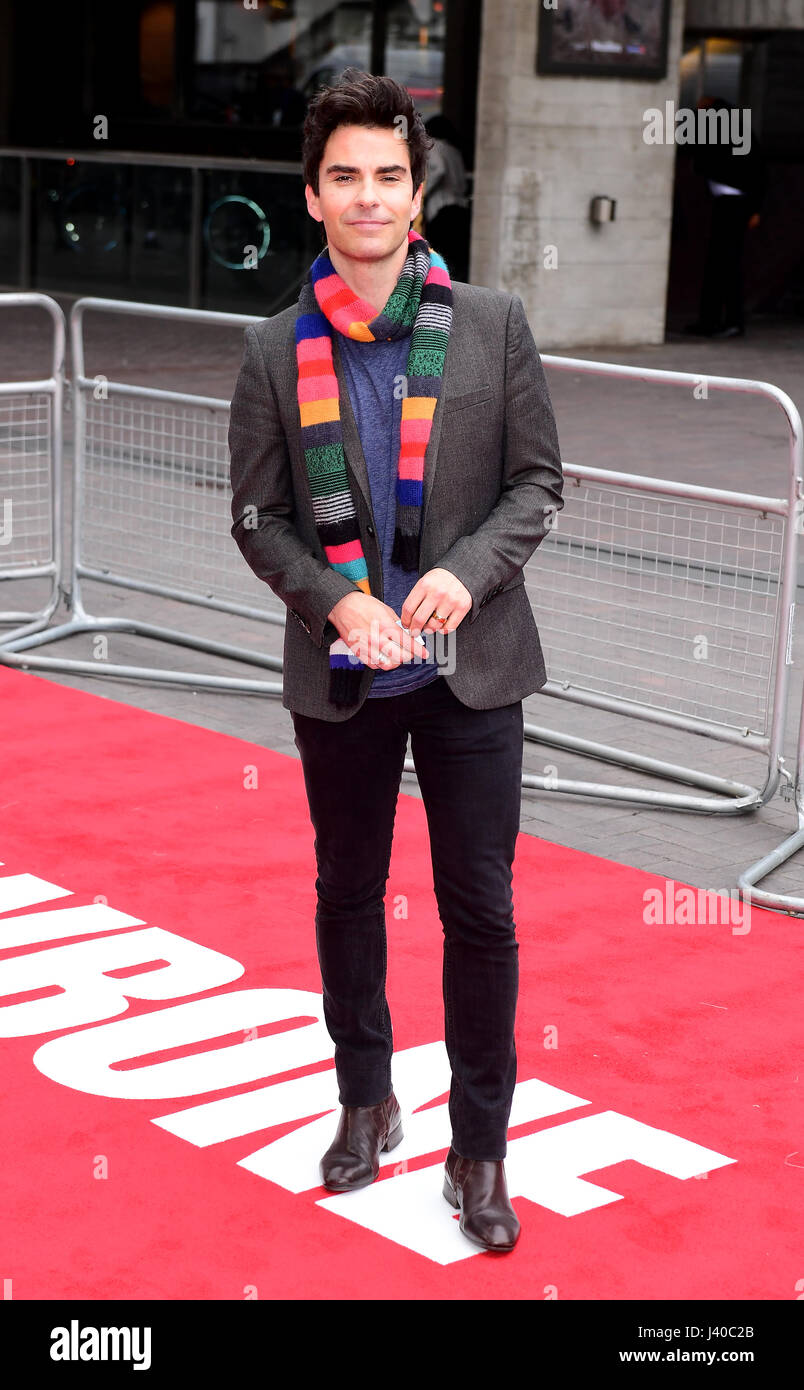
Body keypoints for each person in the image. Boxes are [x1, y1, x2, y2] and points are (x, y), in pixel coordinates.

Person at [228, 68, 564, 1253]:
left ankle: (481, 1151)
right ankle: (364, 1100)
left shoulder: (491, 322)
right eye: (344, 178)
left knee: (481, 911)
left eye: (388, 175)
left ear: (416, 191)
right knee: (346, 895)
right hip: (347, 678)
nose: (369, 198)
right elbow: (257, 516)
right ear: (313, 196)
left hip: (472, 673)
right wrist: (334, 603)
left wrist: (466, 573)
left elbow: (539, 483)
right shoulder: (275, 349)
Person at [684, 95, 767, 338]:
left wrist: (755, 209)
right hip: (730, 203)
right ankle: (712, 320)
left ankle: (728, 321)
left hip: (735, 204)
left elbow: (758, 173)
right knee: (719, 264)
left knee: (725, 265)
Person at [423, 114, 471, 283]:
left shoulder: (434, 146)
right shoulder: (454, 151)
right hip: (460, 209)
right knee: (455, 260)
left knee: (440, 259)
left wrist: (422, 193)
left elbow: (439, 169)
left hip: (442, 211)